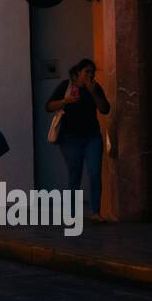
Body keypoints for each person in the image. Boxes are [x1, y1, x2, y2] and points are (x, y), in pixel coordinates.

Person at [46, 58, 111, 222]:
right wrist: (64, 101)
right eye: (86, 72)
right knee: (74, 175)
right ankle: (72, 214)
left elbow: (104, 109)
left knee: (95, 172)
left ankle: (96, 212)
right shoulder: (66, 87)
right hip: (70, 139)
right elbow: (48, 106)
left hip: (92, 137)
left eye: (92, 72)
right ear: (78, 73)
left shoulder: (95, 88)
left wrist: (93, 91)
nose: (90, 75)